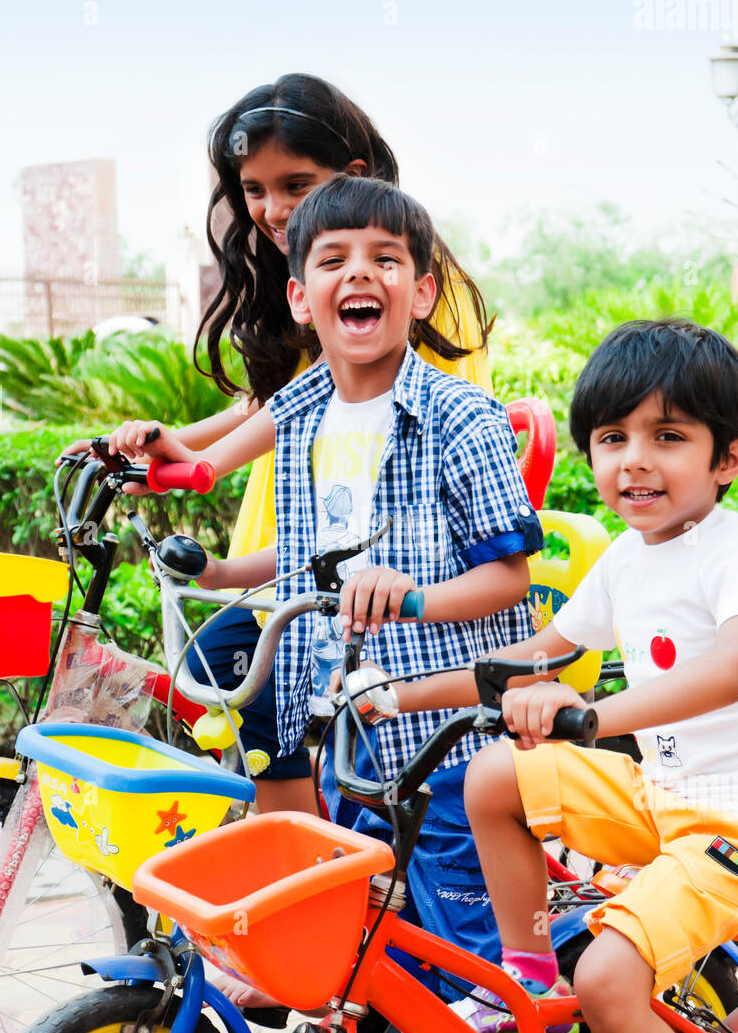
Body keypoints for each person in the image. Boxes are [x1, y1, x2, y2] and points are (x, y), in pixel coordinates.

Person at [395, 318, 738, 1033]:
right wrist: (389, 694)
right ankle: (522, 985)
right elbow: (537, 655)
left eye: (668, 437)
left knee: (609, 976)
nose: (634, 459)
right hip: (666, 804)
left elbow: (732, 669)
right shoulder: (627, 558)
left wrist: (589, 713)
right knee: (494, 777)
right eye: (611, 437)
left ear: (726, 459)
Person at [144, 173, 541, 988]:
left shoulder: (460, 417)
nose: (360, 275)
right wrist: (217, 571)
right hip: (347, 726)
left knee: (475, 951)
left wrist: (411, 596)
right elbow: (310, 551)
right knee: (380, 927)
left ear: (422, 292)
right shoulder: (303, 412)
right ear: (299, 297)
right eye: (333, 261)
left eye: (385, 260)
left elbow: (509, 576)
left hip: (450, 734)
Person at [65, 74, 496, 816]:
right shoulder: (309, 276)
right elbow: (278, 402)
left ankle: (311, 898)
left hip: (364, 568)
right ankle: (308, 884)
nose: (269, 209)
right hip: (288, 557)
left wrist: (192, 462)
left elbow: (372, 411)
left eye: (294, 183)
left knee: (276, 722)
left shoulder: (403, 284)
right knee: (229, 689)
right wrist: (165, 452)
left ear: (352, 177)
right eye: (252, 190)